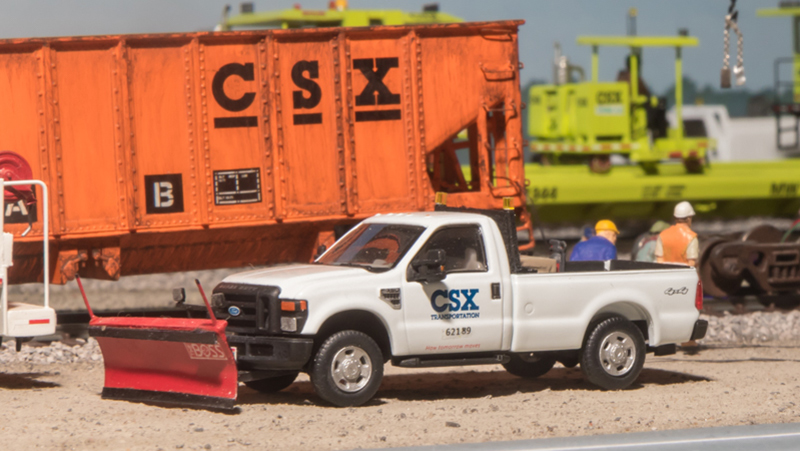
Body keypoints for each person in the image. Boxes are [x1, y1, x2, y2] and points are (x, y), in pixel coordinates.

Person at [655, 201, 698, 267]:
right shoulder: (691, 237)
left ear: (675, 218)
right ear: (688, 219)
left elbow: (659, 260)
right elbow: (691, 263)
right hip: (683, 275)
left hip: (665, 274)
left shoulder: (662, 235)